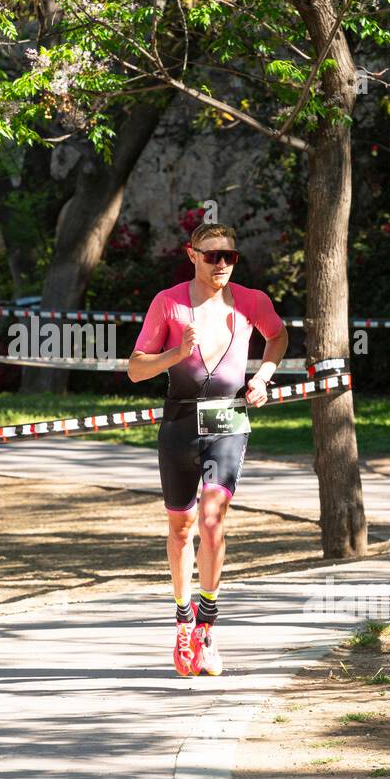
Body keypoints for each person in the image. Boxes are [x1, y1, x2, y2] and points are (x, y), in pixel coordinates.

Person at [128, 224, 288, 676]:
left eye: (229, 256)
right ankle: (181, 622)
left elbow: (276, 336)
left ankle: (207, 628)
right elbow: (136, 370)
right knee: (181, 528)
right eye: (212, 255)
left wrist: (262, 377)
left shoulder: (252, 301)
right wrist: (175, 355)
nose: (221, 264)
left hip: (227, 421)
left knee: (214, 519)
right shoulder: (169, 303)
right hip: (179, 421)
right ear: (192, 255)